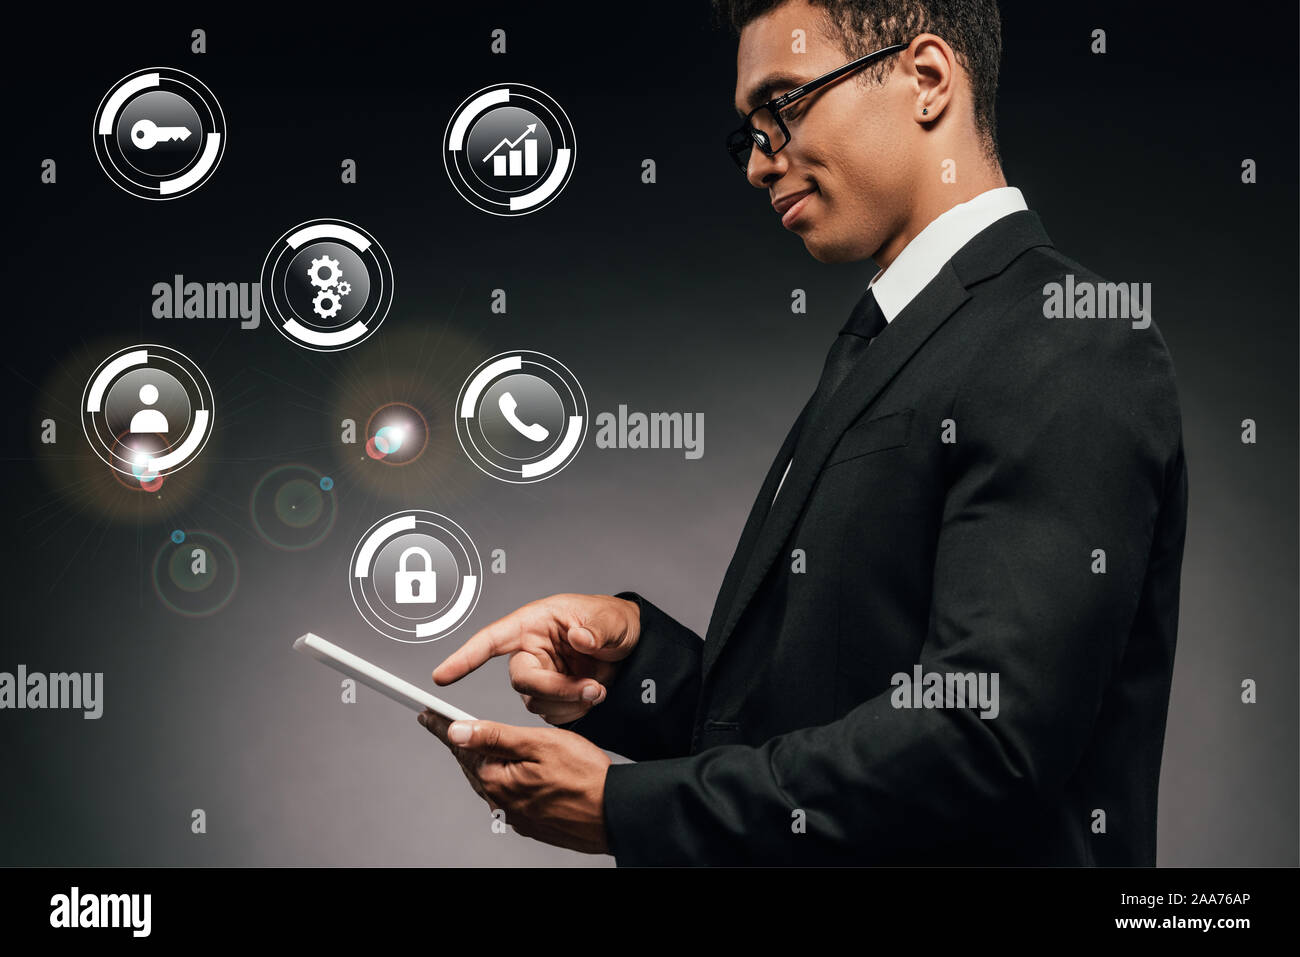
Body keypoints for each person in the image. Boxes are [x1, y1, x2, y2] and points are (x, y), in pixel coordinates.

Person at [418, 0, 1189, 865]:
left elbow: (981, 740)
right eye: (749, 130)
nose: (757, 162)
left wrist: (624, 807)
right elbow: (817, 719)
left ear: (926, 79)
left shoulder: (1068, 337)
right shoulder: (892, 338)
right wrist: (630, 670)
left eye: (783, 107)